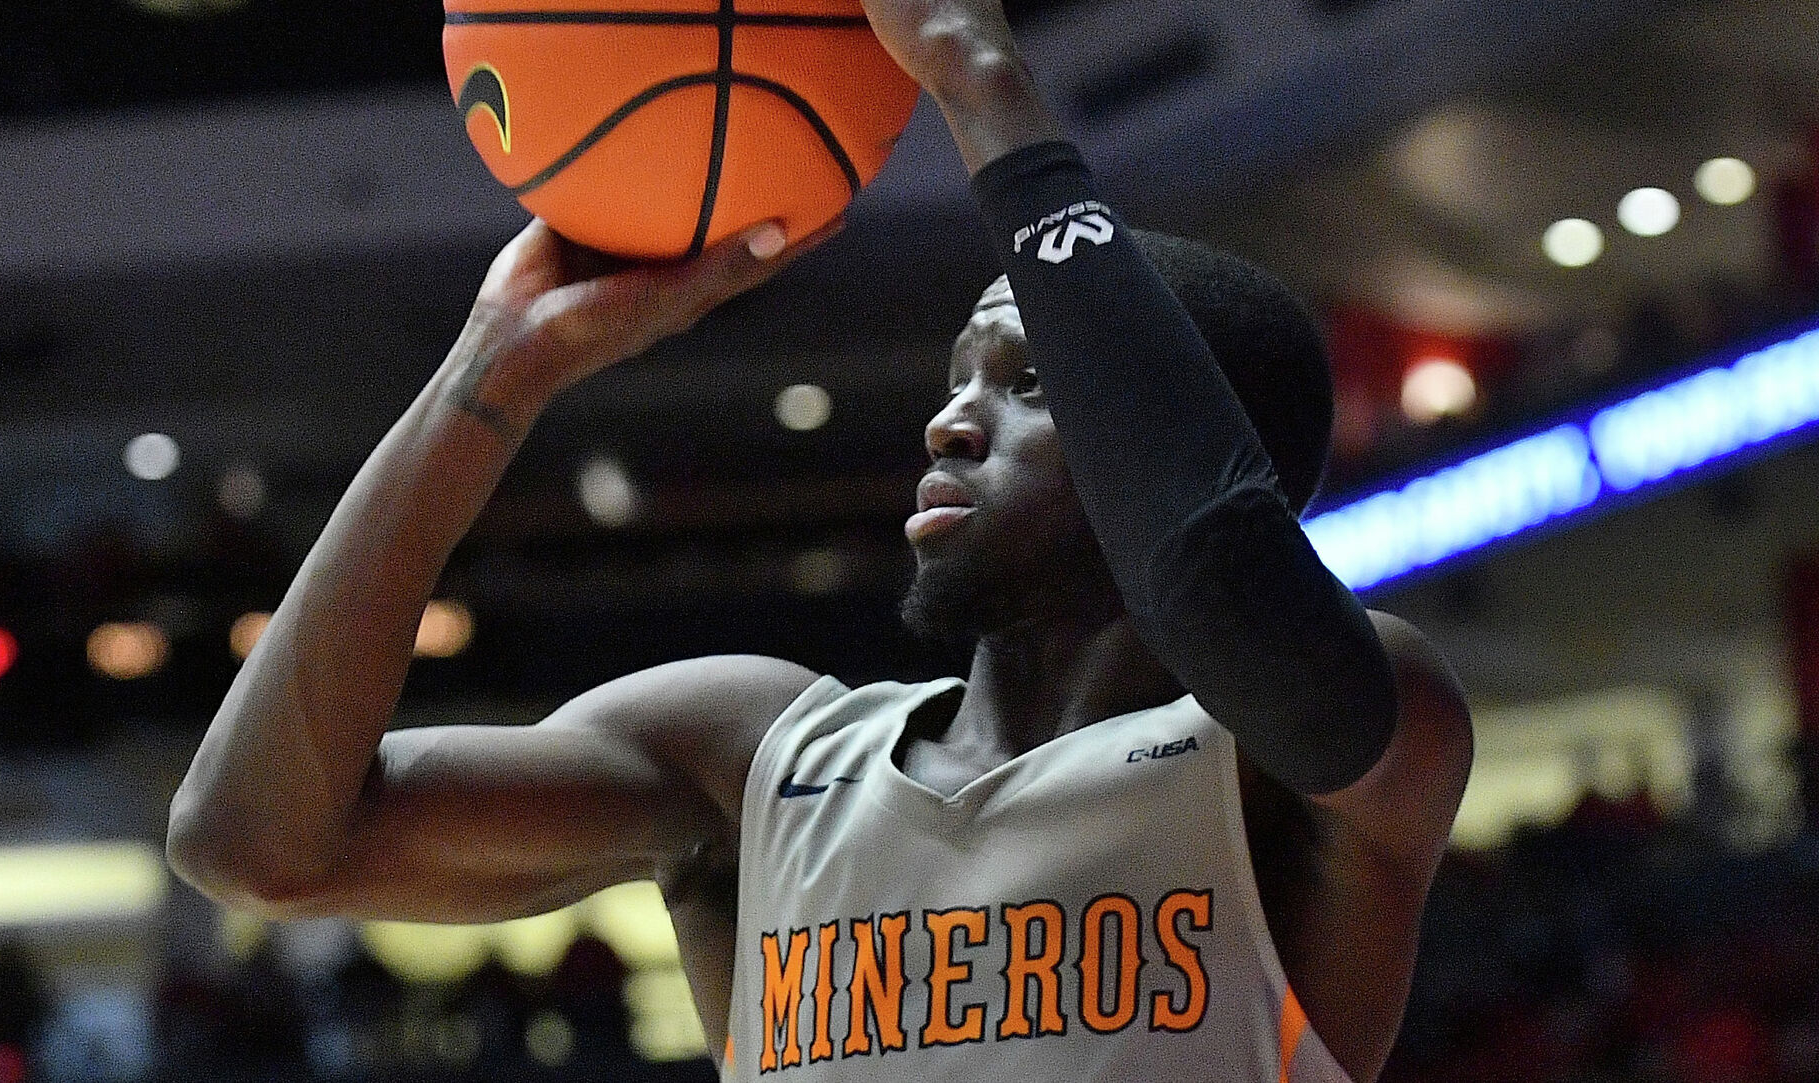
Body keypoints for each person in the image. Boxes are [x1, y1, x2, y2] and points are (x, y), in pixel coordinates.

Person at [166, 0, 1472, 1078]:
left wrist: (982, 84)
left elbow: (1214, 575)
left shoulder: (1325, 754)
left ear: (1177, 434)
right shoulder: (750, 759)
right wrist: (491, 377)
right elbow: (254, 845)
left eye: (1029, 385)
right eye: (959, 376)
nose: (953, 423)